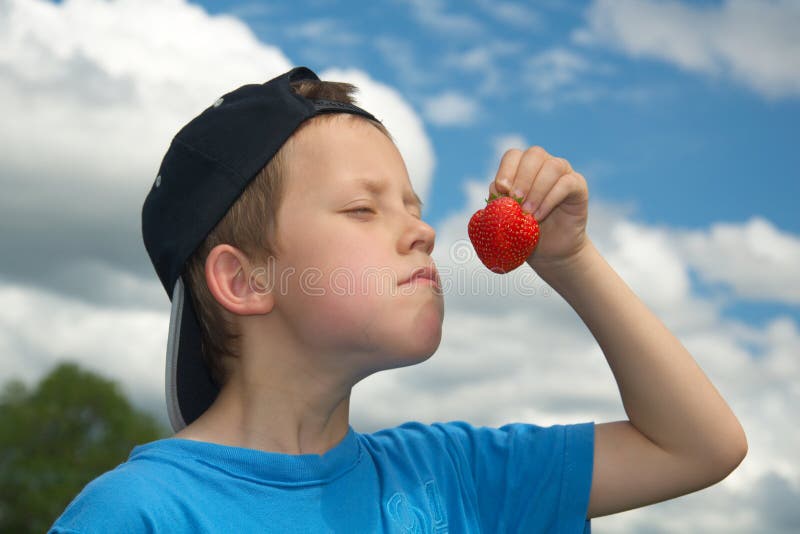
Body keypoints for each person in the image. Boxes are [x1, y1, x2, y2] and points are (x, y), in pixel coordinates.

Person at [49, 66, 747, 533]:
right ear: (245, 281)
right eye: (363, 208)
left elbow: (698, 447)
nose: (421, 230)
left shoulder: (451, 478)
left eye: (412, 206)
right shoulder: (142, 513)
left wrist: (570, 260)